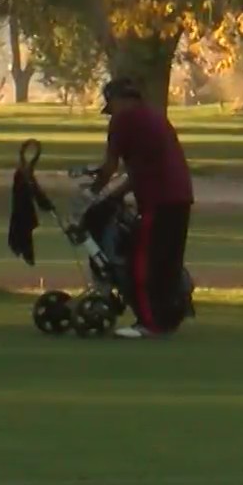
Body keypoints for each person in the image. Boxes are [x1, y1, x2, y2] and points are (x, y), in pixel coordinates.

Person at [92, 77, 194, 338]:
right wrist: (117, 193)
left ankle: (148, 323)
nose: (110, 112)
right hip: (180, 197)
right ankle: (167, 318)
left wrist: (96, 191)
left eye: (110, 105)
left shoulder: (123, 122)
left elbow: (110, 166)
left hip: (157, 200)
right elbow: (141, 171)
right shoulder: (156, 118)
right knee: (167, 264)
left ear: (118, 100)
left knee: (141, 263)